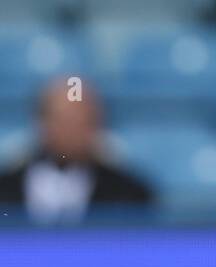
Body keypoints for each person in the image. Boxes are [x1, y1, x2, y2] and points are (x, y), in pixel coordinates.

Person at [0, 79, 154, 223]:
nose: (72, 131)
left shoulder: (129, 194)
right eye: (63, 120)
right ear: (41, 122)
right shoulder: (5, 189)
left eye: (83, 121)